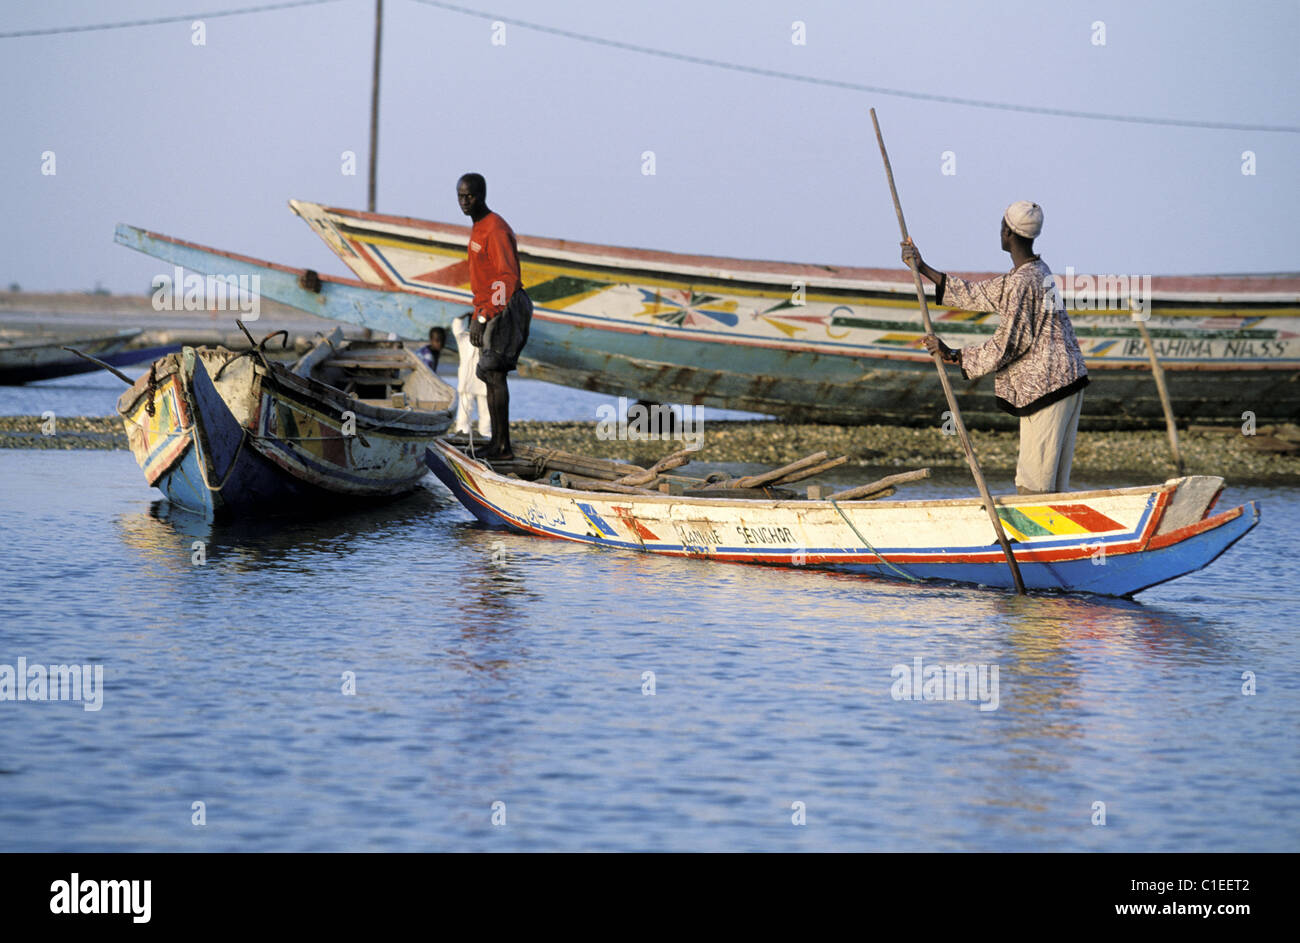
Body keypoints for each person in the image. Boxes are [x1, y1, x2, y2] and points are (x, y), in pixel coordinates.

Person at [902, 201, 1089, 494]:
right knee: (1052, 483)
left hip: (1049, 386)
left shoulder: (1025, 281)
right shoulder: (1034, 271)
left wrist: (954, 355)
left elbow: (1008, 344)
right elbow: (978, 294)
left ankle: (1035, 536)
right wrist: (922, 267)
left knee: (1034, 484)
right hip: (1065, 381)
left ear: (1007, 232)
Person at [457, 172, 532, 459]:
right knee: (488, 372)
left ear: (482, 195)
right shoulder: (478, 228)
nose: (464, 202)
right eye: (460, 196)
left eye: (470, 196)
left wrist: (484, 315)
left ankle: (503, 446)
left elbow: (506, 277)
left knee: (495, 371)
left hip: (508, 305)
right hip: (492, 307)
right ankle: (496, 442)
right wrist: (478, 312)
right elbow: (484, 280)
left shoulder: (495, 229)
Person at [449, 314, 491, 437]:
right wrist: (462, 315)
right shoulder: (464, 338)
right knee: (464, 411)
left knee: (486, 412)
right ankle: (462, 433)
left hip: (484, 381)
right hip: (467, 382)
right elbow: (457, 328)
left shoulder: (488, 340)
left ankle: (486, 435)